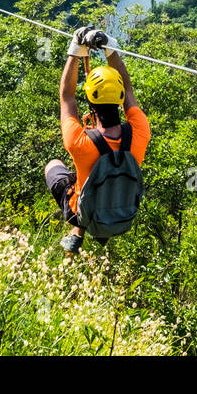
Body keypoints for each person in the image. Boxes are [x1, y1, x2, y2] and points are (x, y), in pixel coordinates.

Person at [44, 26, 150, 254]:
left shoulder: (79, 142)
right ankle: (80, 232)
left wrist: (76, 48)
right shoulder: (140, 131)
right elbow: (129, 90)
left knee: (54, 166)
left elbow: (67, 97)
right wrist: (109, 48)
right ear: (120, 97)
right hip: (121, 211)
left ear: (91, 101)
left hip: (84, 212)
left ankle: (78, 229)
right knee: (87, 176)